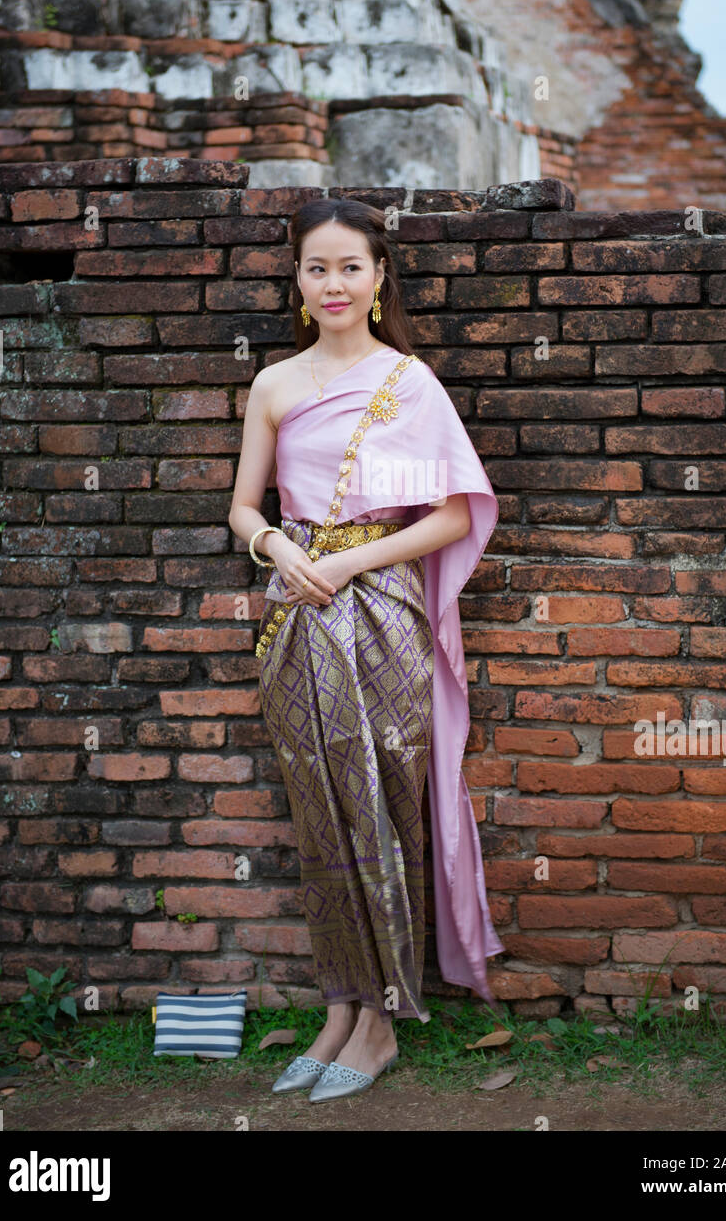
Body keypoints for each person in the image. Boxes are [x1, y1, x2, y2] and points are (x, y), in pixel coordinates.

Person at [228, 198, 504, 1102]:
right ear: (298, 282)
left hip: (380, 612)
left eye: (351, 266)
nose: (334, 283)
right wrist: (278, 548)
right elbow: (243, 507)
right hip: (294, 611)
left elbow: (456, 515)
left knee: (381, 809)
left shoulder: (408, 383)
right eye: (317, 268)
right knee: (318, 816)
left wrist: (349, 565)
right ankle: (339, 1006)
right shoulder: (273, 383)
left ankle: (382, 1019)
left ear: (379, 277)